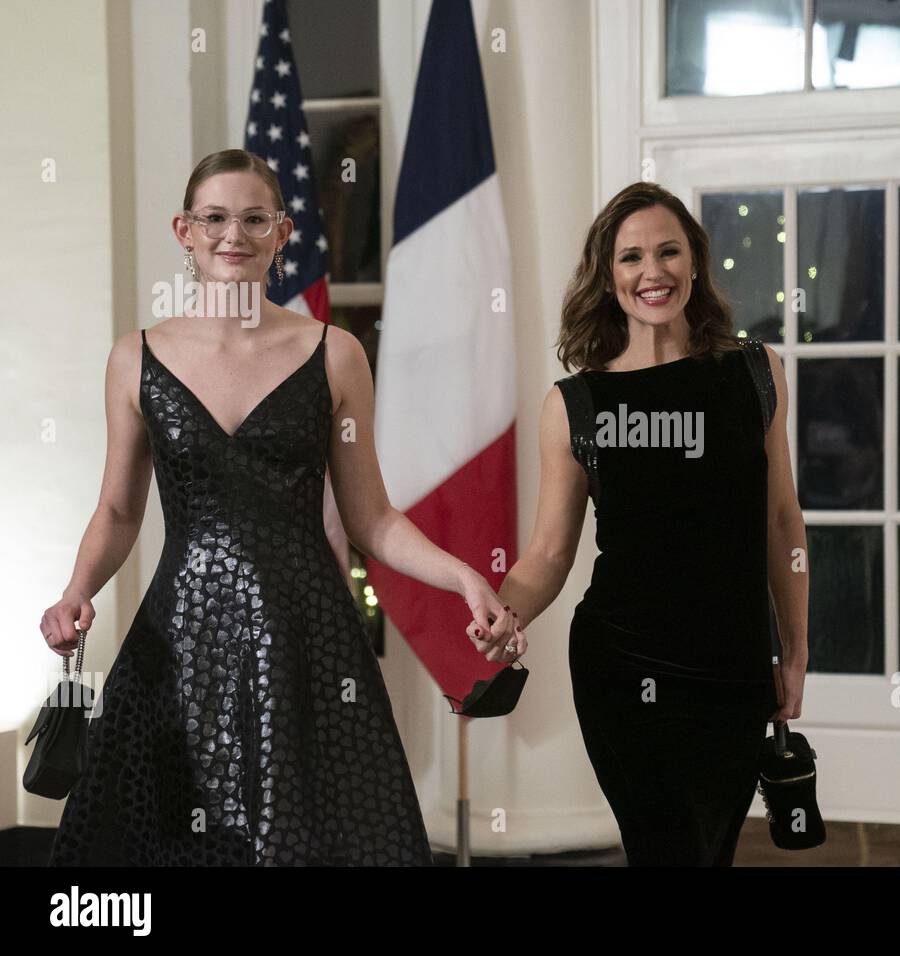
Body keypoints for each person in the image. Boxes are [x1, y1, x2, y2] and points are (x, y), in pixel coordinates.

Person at [39, 148, 519, 865]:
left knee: (317, 843)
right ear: (185, 231)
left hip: (309, 644)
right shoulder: (135, 357)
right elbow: (117, 512)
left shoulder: (335, 352)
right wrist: (76, 593)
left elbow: (372, 520)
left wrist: (464, 577)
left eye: (254, 219)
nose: (234, 234)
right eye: (215, 218)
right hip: (181, 641)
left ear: (282, 233)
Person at [468, 181, 809, 865]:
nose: (653, 273)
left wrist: (795, 653)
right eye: (631, 258)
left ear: (695, 263)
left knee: (709, 852)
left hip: (734, 670)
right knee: (667, 852)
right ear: (607, 274)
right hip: (625, 672)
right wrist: (507, 613)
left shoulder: (756, 373)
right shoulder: (577, 404)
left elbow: (781, 524)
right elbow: (548, 553)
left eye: (668, 252)